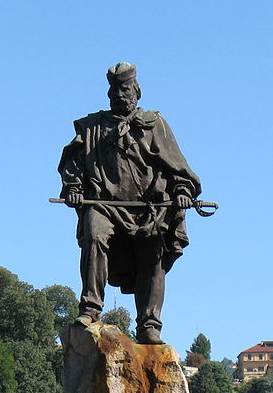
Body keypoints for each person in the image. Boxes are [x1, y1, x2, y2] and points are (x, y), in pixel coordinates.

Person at [58, 62, 202, 345]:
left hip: (149, 209)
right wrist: (74, 187)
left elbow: (177, 165)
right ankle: (89, 310)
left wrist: (183, 189)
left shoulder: (154, 124)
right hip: (104, 204)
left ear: (136, 92)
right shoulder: (92, 127)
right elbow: (73, 163)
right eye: (114, 90)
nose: (119, 96)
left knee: (153, 254)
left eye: (124, 90)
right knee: (94, 233)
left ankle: (149, 325)